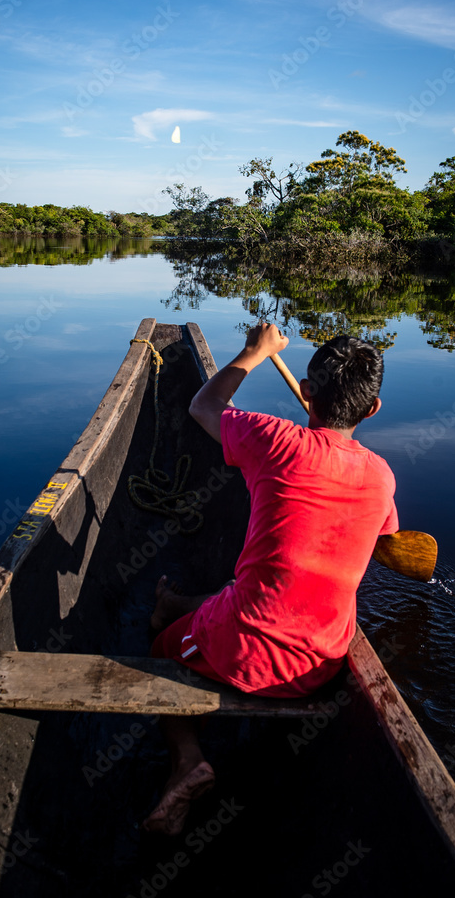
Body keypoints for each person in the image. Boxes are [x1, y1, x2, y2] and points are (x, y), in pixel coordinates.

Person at [142, 323, 398, 835]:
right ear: (372, 410)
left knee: (159, 652)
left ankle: (187, 759)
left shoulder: (272, 438)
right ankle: (181, 604)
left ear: (305, 392)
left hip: (243, 652)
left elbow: (202, 407)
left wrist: (254, 353)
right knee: (245, 589)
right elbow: (389, 538)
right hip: (321, 666)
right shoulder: (382, 476)